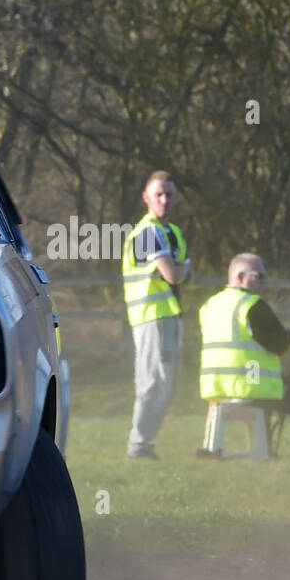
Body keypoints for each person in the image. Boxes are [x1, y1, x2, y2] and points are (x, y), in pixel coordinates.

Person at [121, 170, 192, 459]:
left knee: (164, 383)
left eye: (169, 194)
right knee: (154, 382)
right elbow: (175, 274)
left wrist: (182, 269)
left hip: (167, 316)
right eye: (158, 194)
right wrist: (184, 267)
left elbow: (180, 274)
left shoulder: (171, 233)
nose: (164, 199)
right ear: (146, 197)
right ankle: (139, 446)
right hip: (152, 316)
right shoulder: (148, 233)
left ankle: (143, 445)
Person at [198, 253, 290, 422]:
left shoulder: (209, 305)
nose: (265, 282)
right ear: (240, 277)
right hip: (251, 387)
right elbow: (281, 346)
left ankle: (262, 447)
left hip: (216, 391)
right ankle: (263, 448)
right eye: (259, 276)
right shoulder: (252, 305)